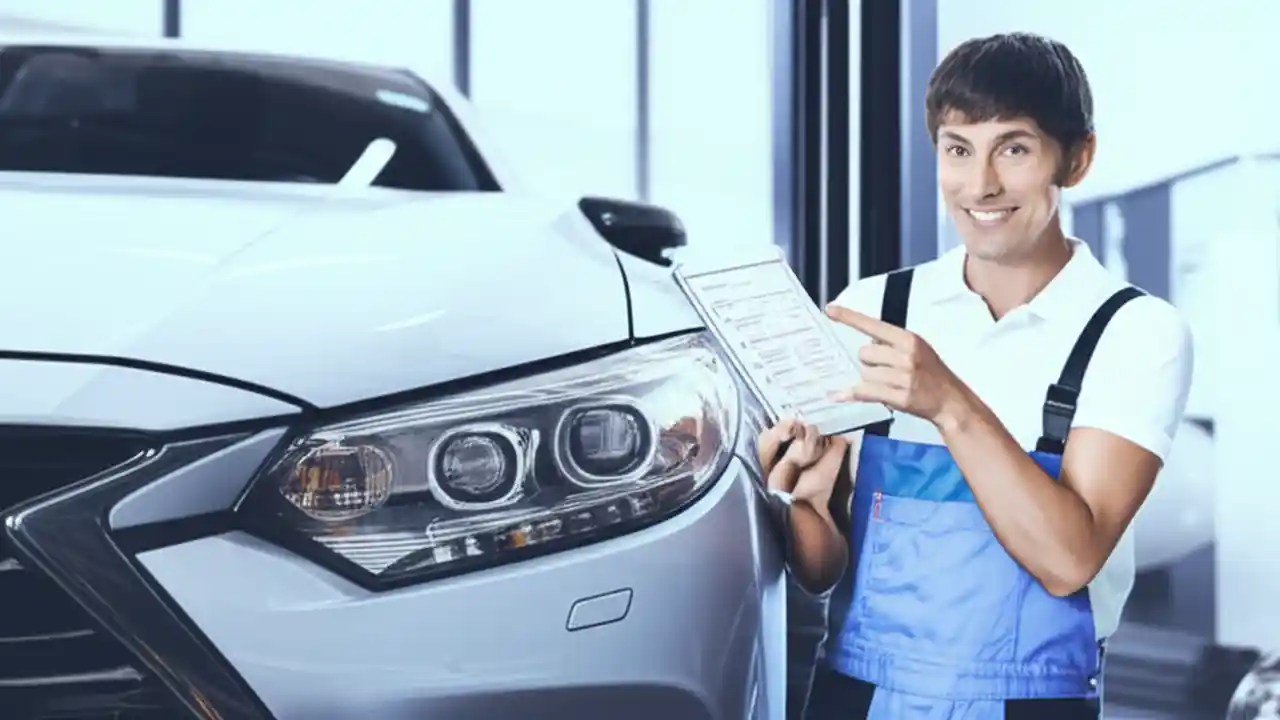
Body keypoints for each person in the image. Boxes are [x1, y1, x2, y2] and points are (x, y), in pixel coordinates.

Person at [758, 32, 1195, 719]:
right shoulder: (874, 308)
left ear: (1076, 159)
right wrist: (802, 506)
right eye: (958, 150)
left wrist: (949, 405)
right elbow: (825, 573)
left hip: (1031, 702)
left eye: (1013, 148)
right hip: (853, 693)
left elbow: (1067, 558)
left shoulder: (1133, 332)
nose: (980, 184)